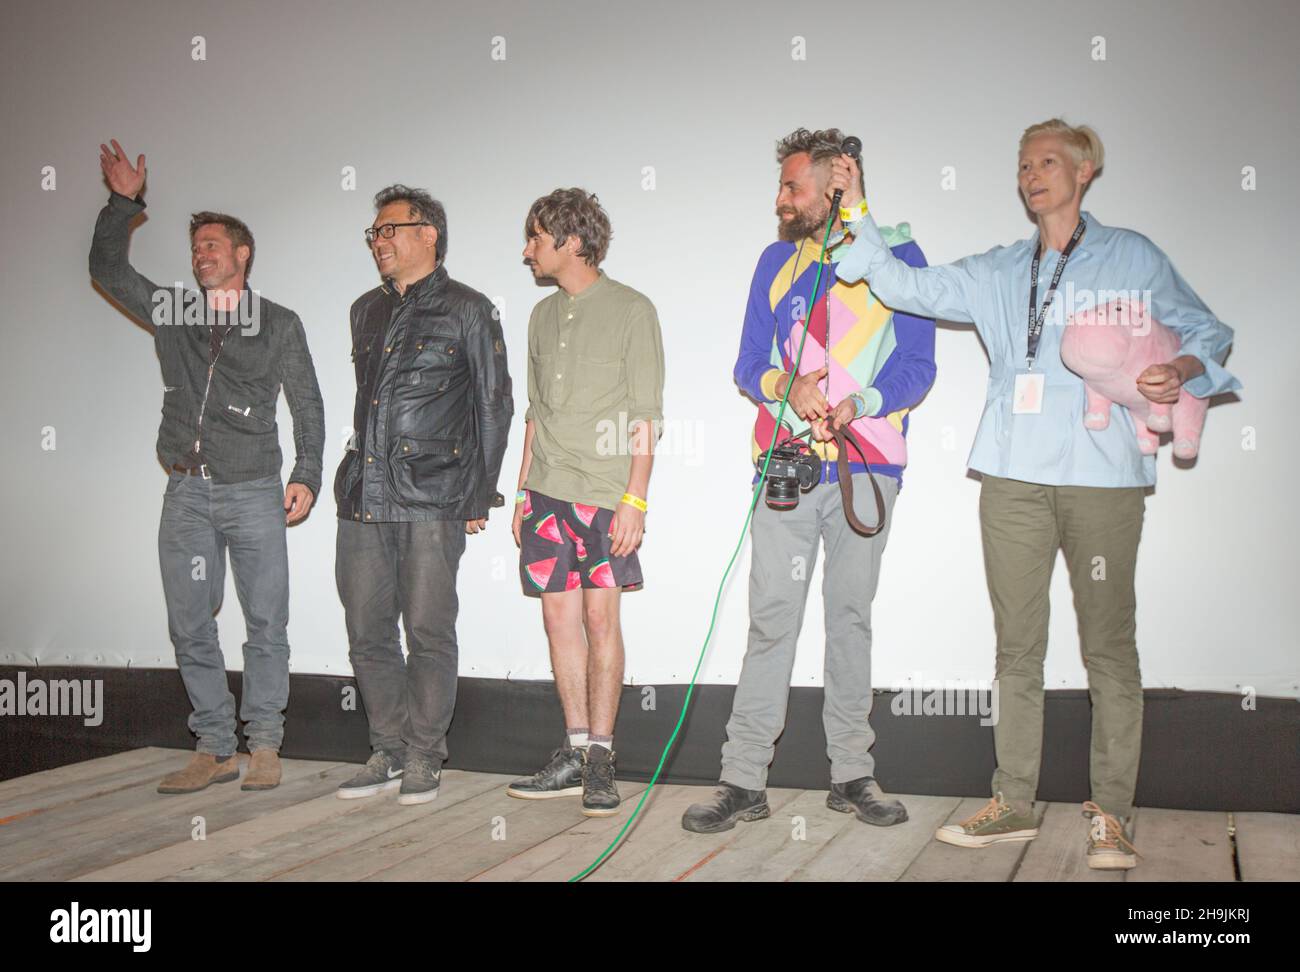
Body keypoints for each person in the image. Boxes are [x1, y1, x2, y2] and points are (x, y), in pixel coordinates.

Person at [830, 118, 1241, 869]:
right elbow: (904, 283)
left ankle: (1112, 813)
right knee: (1016, 647)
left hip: (1103, 480)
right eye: (1024, 164)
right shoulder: (997, 269)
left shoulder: (1133, 256)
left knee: (1108, 649)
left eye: (1048, 161)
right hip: (1012, 478)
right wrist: (857, 209)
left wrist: (1178, 372)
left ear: (1085, 172)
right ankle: (1012, 802)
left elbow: (1207, 330)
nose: (1032, 173)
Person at [682, 128, 936, 834]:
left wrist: (864, 404)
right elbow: (744, 363)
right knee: (771, 622)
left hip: (867, 466)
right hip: (787, 467)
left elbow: (919, 364)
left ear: (835, 184)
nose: (780, 199)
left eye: (793, 186)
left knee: (849, 619)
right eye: (782, 186)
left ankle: (852, 773)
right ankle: (742, 781)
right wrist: (782, 385)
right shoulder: (776, 261)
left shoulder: (899, 258)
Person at [90, 140, 325, 794]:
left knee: (265, 623)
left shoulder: (279, 324)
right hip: (187, 495)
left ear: (241, 254)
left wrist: (307, 472)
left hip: (255, 493)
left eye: (213, 245)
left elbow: (307, 402)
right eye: (196, 247)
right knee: (190, 621)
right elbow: (109, 270)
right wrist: (122, 203)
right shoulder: (176, 313)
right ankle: (214, 744)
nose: (201, 255)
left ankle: (266, 745)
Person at [334, 185, 513, 806]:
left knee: (429, 628)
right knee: (366, 627)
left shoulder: (470, 309)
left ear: (427, 234)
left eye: (389, 230)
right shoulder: (365, 310)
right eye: (374, 234)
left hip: (432, 495)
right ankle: (386, 747)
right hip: (363, 494)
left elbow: (494, 405)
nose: (379, 242)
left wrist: (478, 494)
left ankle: (424, 753)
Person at [505, 189, 665, 817]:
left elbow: (647, 416)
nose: (528, 251)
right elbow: (535, 415)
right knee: (556, 622)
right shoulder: (540, 317)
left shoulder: (633, 310)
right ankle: (573, 752)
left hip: (605, 496)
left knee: (602, 623)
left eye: (536, 238)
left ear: (572, 240)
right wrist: (521, 491)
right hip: (546, 491)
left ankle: (602, 757)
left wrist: (636, 499)